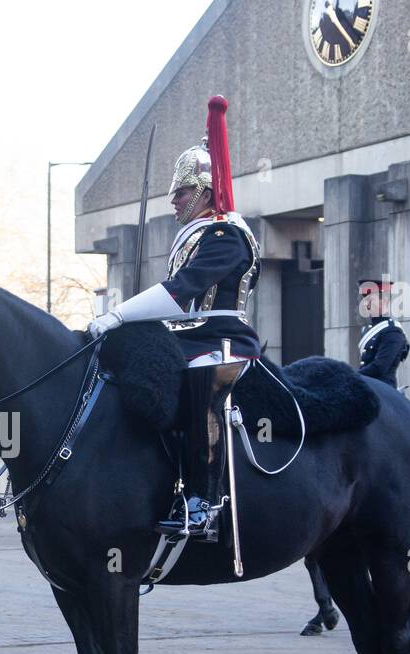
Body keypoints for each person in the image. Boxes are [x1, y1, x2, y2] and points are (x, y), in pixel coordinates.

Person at [87, 95, 260, 542]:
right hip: (188, 337)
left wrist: (118, 315)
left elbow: (180, 295)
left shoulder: (225, 235)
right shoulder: (198, 233)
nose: (173, 200)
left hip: (222, 340)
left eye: (180, 191)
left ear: (202, 190)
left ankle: (203, 502)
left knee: (199, 380)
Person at [356, 278, 409, 389]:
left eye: (370, 299)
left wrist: (351, 376)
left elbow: (379, 368)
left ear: (383, 301)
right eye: (365, 299)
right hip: (367, 386)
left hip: (383, 390)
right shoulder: (368, 329)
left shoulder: (392, 331)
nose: (365, 303)